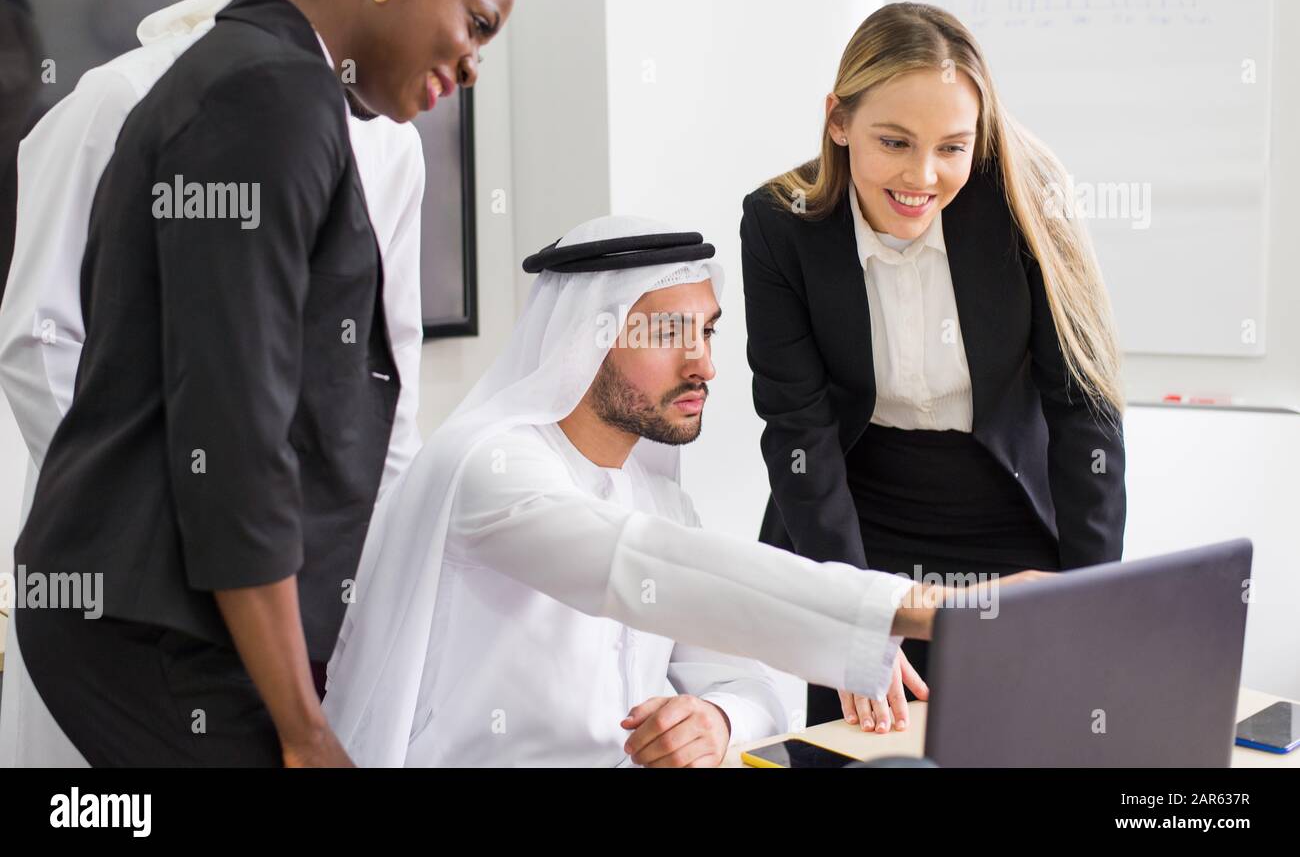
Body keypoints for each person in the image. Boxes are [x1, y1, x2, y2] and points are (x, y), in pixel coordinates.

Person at [10, 0, 521, 767]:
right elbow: (234, 428)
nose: (473, 67)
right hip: (167, 621)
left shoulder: (260, 76)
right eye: (476, 23)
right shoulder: (270, 93)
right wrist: (302, 722)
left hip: (173, 613)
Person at [323, 215, 1040, 767]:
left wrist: (715, 719)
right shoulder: (492, 467)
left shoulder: (652, 490)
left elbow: (750, 683)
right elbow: (639, 566)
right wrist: (918, 609)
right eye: (672, 332)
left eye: (709, 332)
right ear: (588, 336)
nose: (704, 365)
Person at [741, 2, 1126, 730]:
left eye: (953, 147)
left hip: (1006, 522)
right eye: (894, 141)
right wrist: (851, 620)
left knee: (1022, 740)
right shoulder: (778, 224)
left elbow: (1086, 413)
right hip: (854, 525)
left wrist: (1089, 603)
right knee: (861, 742)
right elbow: (799, 430)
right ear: (838, 121)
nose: (923, 175)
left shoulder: (1027, 201)